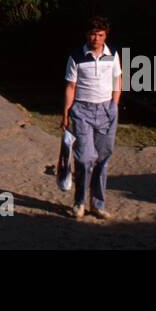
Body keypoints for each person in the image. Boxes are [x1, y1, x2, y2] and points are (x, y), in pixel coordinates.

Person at [60, 16, 122, 220]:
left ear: (106, 36)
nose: (96, 38)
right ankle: (79, 202)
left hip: (106, 110)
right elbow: (70, 86)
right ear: (87, 35)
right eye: (93, 34)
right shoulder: (76, 56)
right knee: (84, 158)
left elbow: (117, 79)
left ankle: (98, 204)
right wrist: (66, 113)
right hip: (82, 112)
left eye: (101, 35)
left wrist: (114, 104)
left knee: (103, 159)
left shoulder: (112, 55)